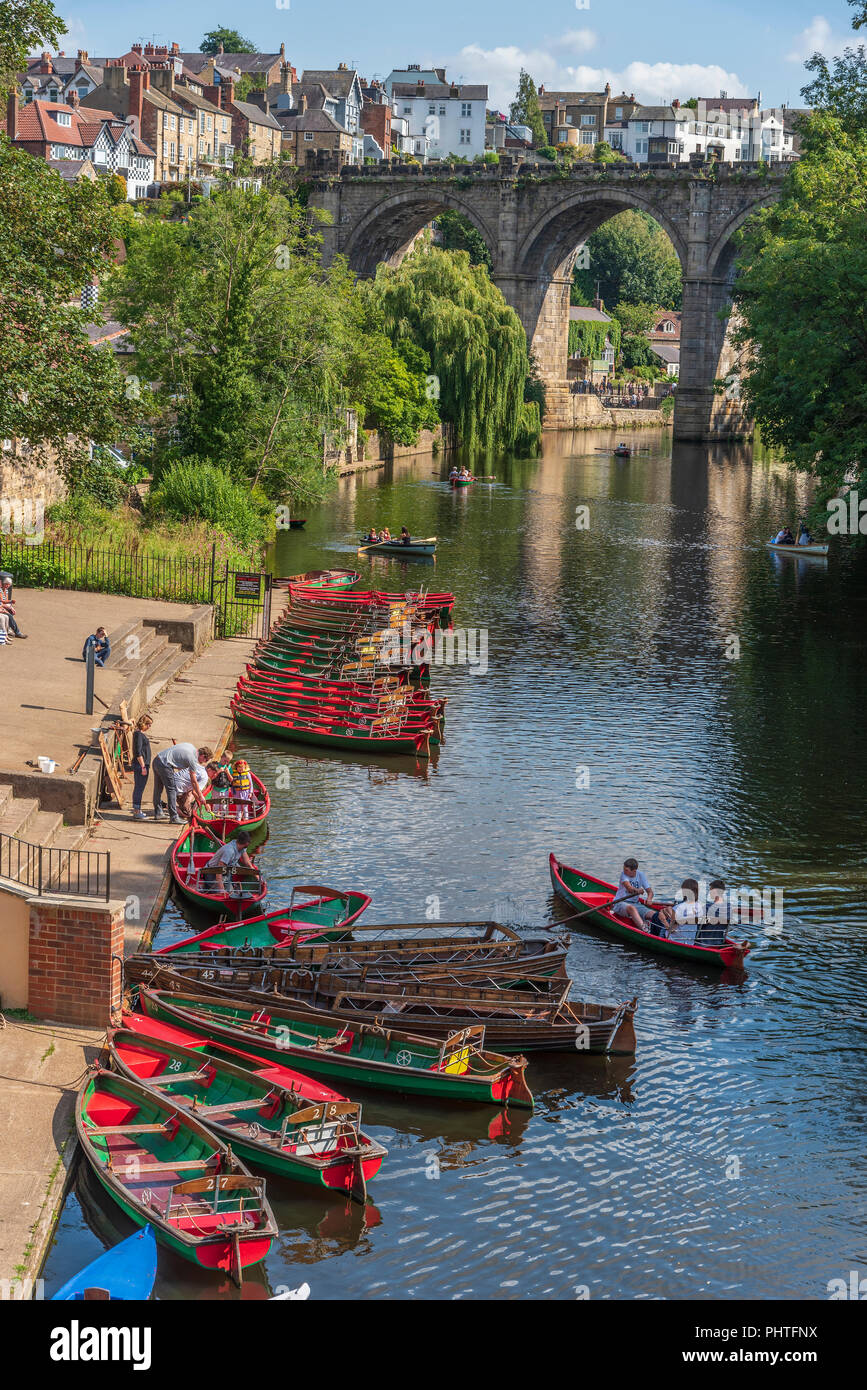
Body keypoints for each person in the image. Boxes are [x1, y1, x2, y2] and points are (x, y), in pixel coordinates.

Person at [151, 742, 213, 824]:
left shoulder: (191, 746)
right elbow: (194, 781)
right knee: (172, 790)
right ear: (203, 756)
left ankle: (158, 812)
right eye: (206, 760)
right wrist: (201, 796)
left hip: (157, 760)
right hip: (165, 765)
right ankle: (174, 817)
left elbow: (178, 760)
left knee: (158, 789)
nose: (204, 763)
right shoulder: (193, 759)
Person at [611, 858, 673, 934]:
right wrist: (637, 890)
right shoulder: (623, 875)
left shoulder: (641, 875)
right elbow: (629, 888)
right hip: (619, 903)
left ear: (634, 871)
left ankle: (666, 931)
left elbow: (650, 892)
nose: (624, 871)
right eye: (624, 869)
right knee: (632, 908)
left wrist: (649, 899)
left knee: (654, 915)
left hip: (636, 904)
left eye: (626, 870)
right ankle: (646, 931)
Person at [201, 830, 260, 897]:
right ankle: (207, 886)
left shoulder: (241, 847)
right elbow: (218, 871)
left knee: (232, 893)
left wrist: (258, 877)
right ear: (246, 843)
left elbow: (248, 863)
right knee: (220, 894)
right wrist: (222, 891)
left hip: (226, 873)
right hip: (212, 873)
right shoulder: (229, 851)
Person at [668, 878, 704, 944]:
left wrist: (664, 921)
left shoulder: (677, 908)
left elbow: (672, 930)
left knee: (658, 921)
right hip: (690, 942)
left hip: (675, 940)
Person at [131, 714, 153, 821]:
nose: (149, 727)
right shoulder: (139, 735)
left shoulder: (139, 734)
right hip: (141, 766)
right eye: (148, 724)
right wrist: (143, 766)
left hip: (143, 765)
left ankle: (138, 810)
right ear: (144, 724)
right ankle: (136, 811)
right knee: (139, 788)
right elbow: (138, 752)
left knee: (140, 787)